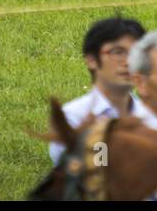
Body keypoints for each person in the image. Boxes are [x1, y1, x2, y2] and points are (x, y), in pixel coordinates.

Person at [48, 16, 146, 165]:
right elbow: (77, 179)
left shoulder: (152, 115)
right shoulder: (72, 118)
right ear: (91, 60)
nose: (128, 62)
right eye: (118, 52)